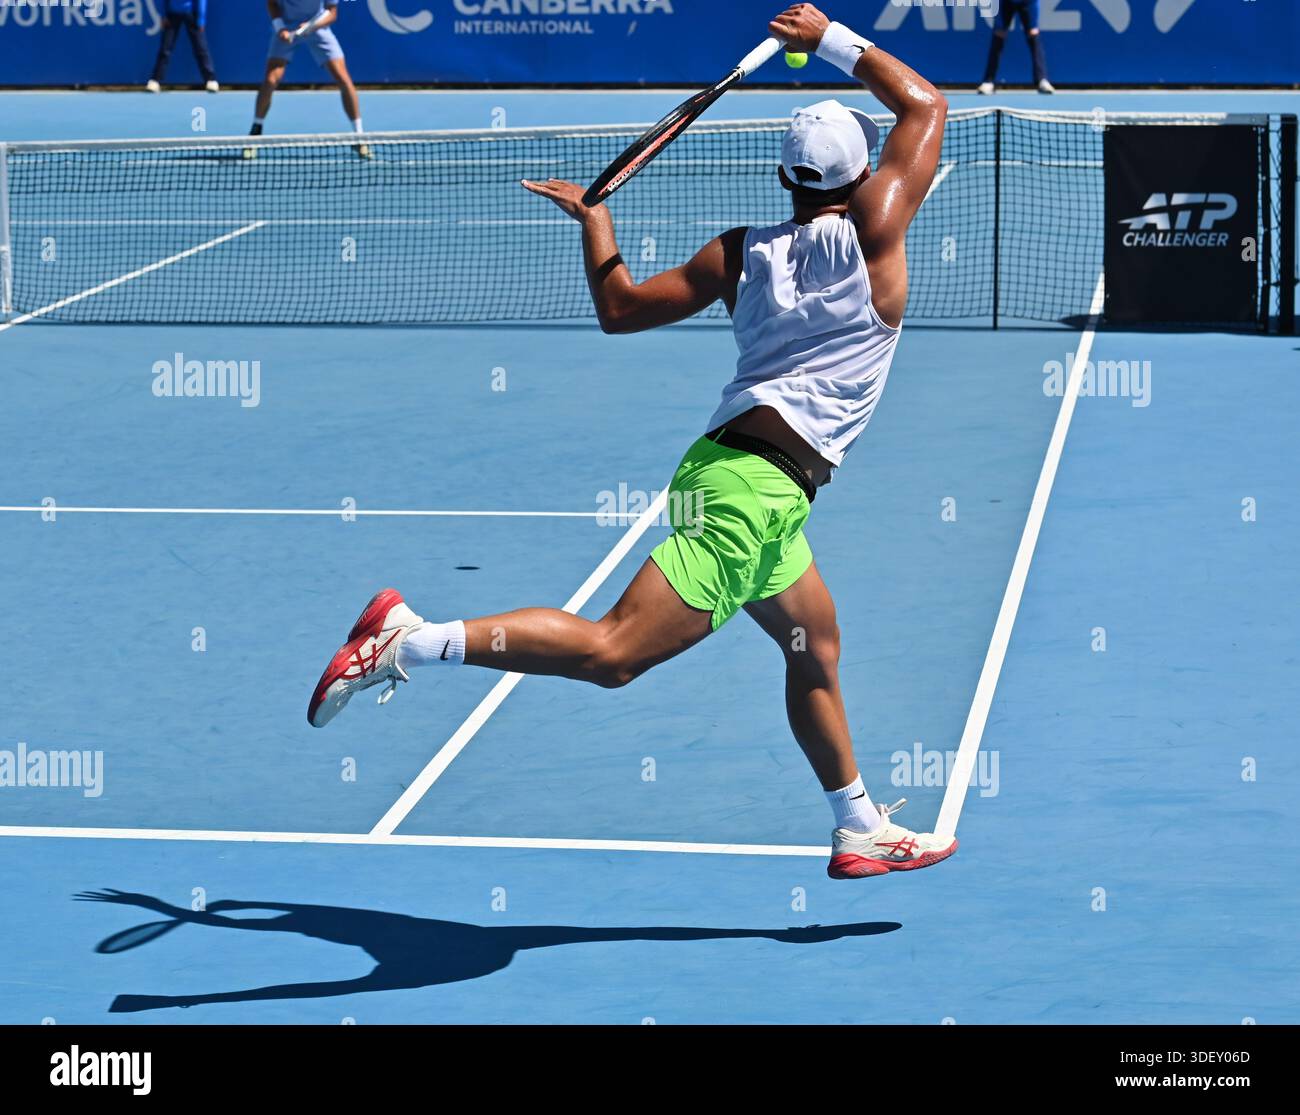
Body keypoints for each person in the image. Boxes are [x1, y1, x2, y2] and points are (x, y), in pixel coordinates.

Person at [307, 4, 959, 881]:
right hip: (756, 495)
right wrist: (830, 36)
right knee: (614, 653)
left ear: (785, 177)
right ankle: (410, 637)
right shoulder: (879, 228)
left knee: (815, 642)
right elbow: (927, 107)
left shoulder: (738, 255)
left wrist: (595, 223)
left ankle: (859, 825)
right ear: (860, 175)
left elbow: (619, 311)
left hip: (721, 472)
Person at [248, 0, 369, 158]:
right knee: (271, 80)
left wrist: (311, 26)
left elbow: (332, 12)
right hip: (288, 28)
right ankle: (255, 132)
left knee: (344, 79)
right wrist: (280, 27)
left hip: (318, 29)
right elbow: (272, 3)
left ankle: (359, 136)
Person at [978, 0, 1055, 94]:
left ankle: (1042, 80)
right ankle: (988, 81)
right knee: (999, 33)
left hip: (1029, 2)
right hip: (1005, 2)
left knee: (1033, 33)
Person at [146, 0, 219, 94]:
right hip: (172, 15)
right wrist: (164, 15)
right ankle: (155, 81)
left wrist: (201, 18)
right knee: (165, 49)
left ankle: (211, 80)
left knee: (200, 48)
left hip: (192, 14)